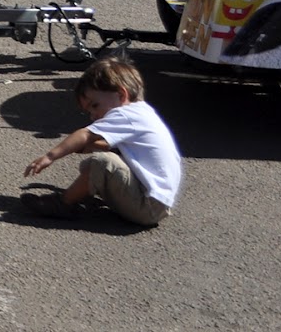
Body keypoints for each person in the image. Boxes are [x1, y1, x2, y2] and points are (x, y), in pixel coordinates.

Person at [21, 54, 181, 226]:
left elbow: (85, 134)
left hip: (147, 205)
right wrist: (86, 146)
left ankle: (63, 203)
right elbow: (108, 146)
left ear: (121, 94)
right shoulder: (142, 113)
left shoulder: (125, 114)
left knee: (102, 163)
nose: (93, 116)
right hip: (155, 203)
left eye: (95, 105)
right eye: (89, 111)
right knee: (90, 165)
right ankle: (82, 195)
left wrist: (50, 157)